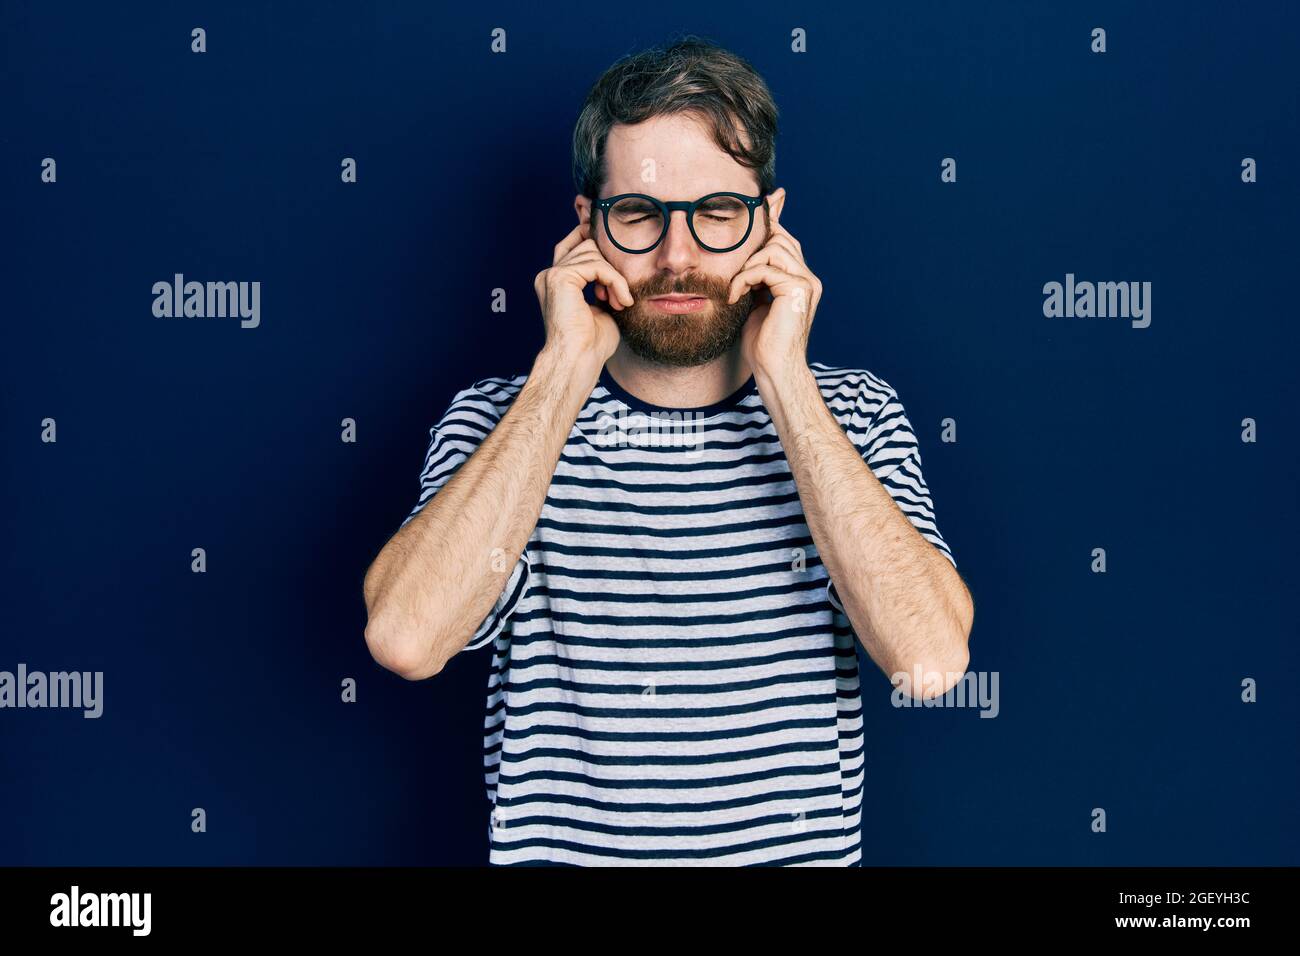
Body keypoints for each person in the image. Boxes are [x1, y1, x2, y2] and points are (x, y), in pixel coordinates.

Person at [363, 36, 974, 866]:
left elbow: (931, 661)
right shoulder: (496, 422)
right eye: (641, 214)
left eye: (719, 212)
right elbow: (406, 638)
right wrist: (561, 372)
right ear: (587, 227)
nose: (679, 256)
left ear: (771, 223)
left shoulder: (856, 414)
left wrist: (786, 381)